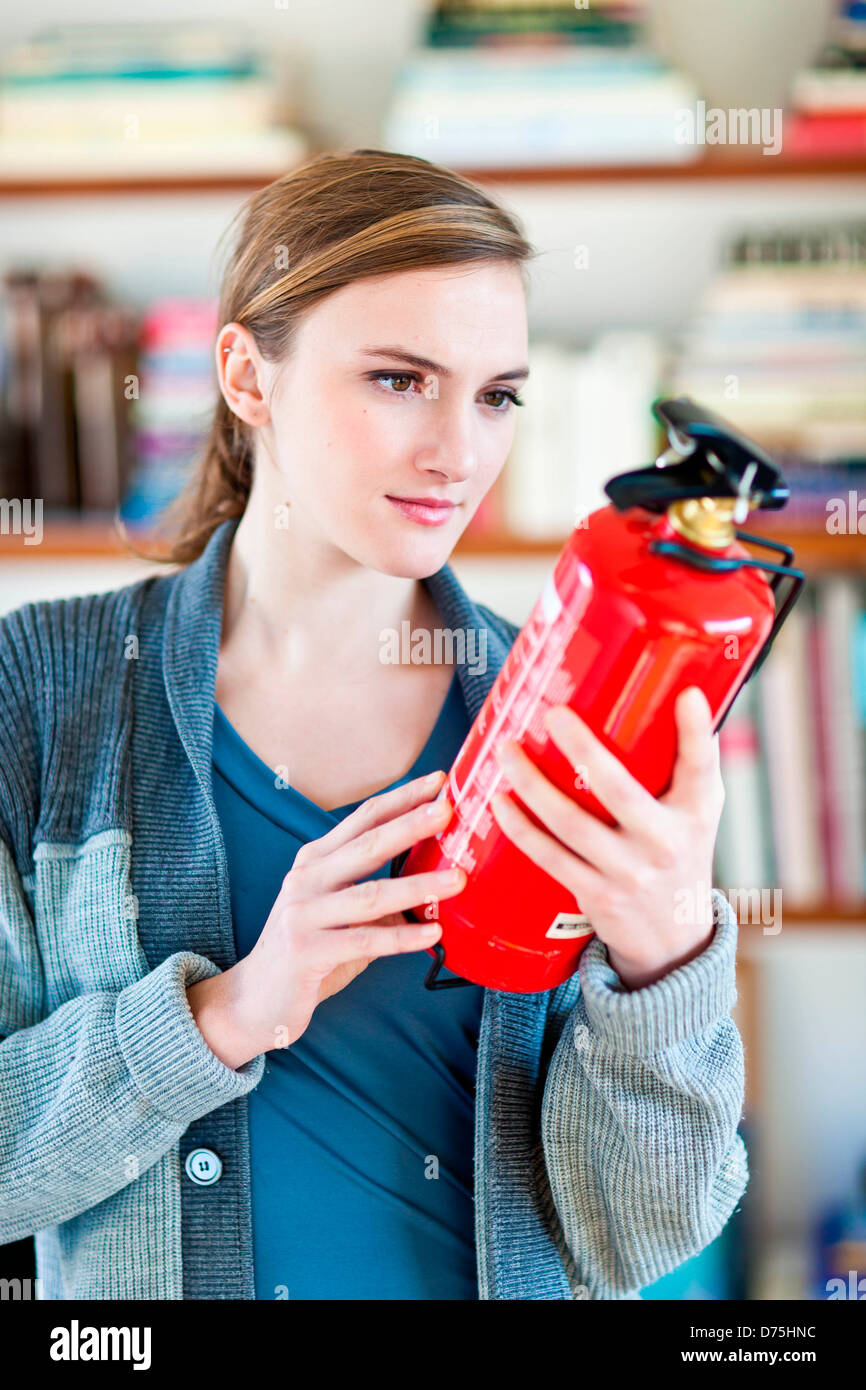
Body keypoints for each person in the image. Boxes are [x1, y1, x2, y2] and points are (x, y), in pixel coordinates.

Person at [0, 149, 747, 1301]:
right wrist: (227, 1013)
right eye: (400, 379)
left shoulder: (580, 714)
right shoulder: (43, 690)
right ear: (248, 375)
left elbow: (632, 1240)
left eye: (497, 394)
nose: (458, 452)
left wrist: (661, 962)